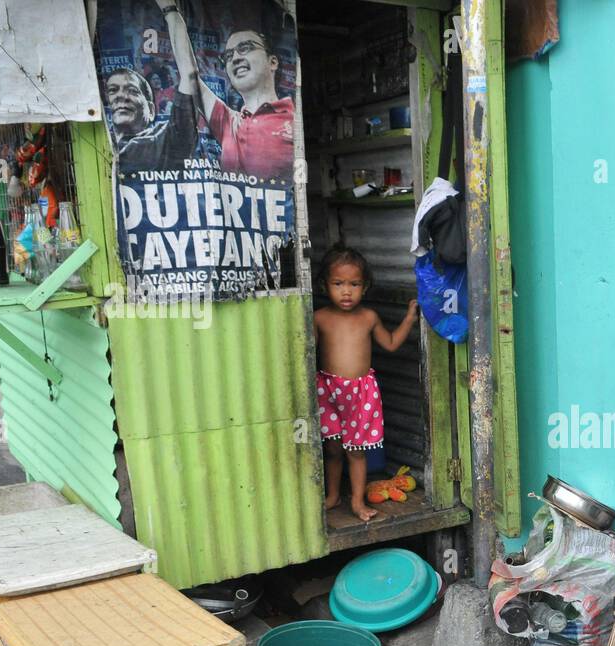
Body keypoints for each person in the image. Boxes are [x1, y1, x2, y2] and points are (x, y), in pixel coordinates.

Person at [314, 246, 419, 522]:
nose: (346, 291)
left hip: (360, 394)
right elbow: (305, 353)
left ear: (365, 286)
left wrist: (409, 319)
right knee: (333, 449)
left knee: (356, 451)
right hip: (328, 391)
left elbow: (392, 343)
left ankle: (358, 502)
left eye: (354, 284)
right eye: (338, 284)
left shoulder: (369, 317)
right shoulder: (319, 318)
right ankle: (333, 495)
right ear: (325, 285)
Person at [155, 0, 295, 181]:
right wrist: (169, 10)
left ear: (273, 62)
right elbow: (190, 74)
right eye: (228, 56)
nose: (235, 58)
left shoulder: (292, 119)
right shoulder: (229, 122)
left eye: (245, 48)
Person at [103, 67, 199, 172]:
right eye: (113, 90)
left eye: (132, 91)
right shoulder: (100, 142)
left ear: (151, 110)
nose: (121, 95)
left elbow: (188, 81)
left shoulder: (166, 137)